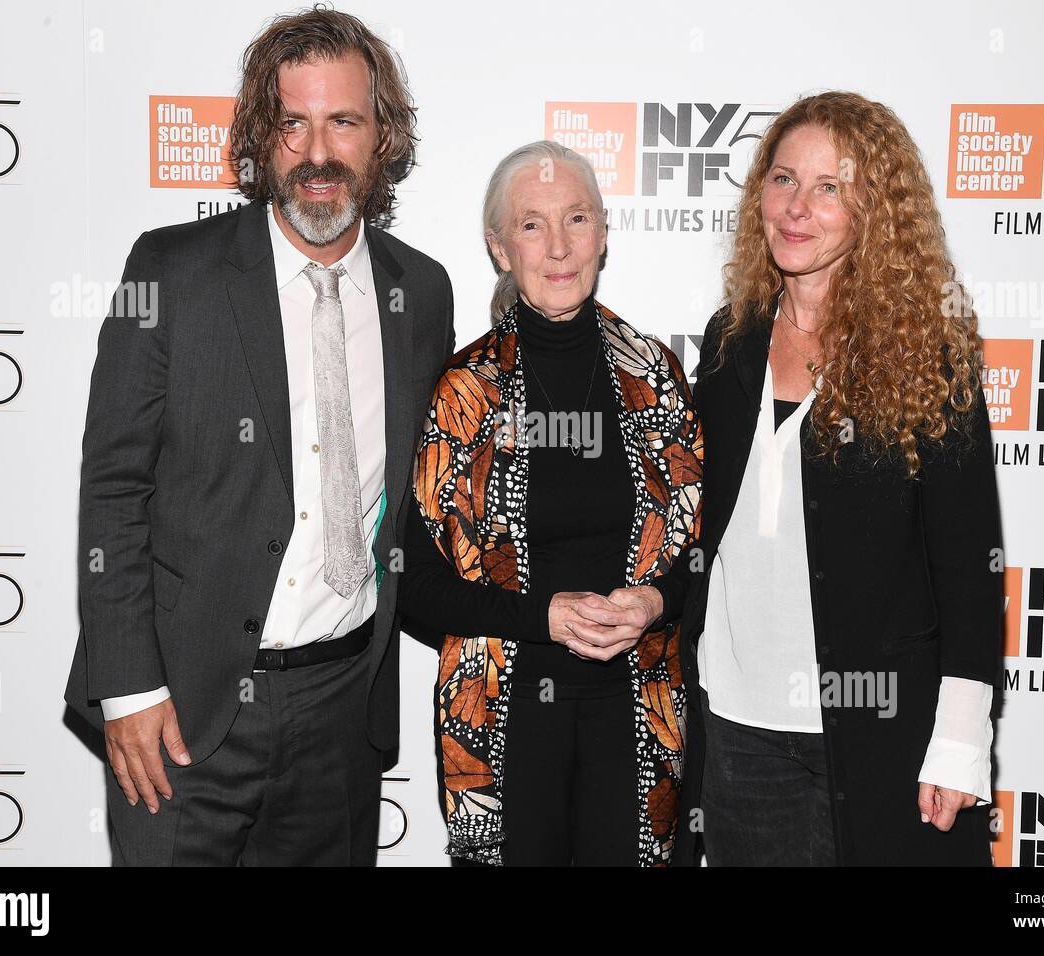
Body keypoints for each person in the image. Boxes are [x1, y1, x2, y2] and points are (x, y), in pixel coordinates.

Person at [63, 8, 455, 865]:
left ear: (380, 135)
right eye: (292, 122)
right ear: (259, 136)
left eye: (343, 120)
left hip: (341, 711)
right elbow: (113, 487)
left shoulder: (419, 293)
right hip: (182, 716)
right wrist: (126, 686)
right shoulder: (171, 271)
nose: (318, 152)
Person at [658, 91, 1004, 865]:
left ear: (874, 211)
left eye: (830, 187)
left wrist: (958, 736)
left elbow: (969, 565)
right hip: (741, 732)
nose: (797, 208)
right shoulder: (730, 339)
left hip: (880, 731)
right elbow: (706, 522)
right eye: (783, 180)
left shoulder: (926, 354)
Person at [400, 140, 702, 866]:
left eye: (577, 219)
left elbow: (701, 554)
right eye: (532, 226)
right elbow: (416, 589)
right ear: (499, 247)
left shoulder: (656, 377)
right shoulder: (462, 392)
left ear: (604, 232)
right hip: (502, 713)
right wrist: (543, 616)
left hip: (638, 709)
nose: (559, 247)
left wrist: (655, 603)